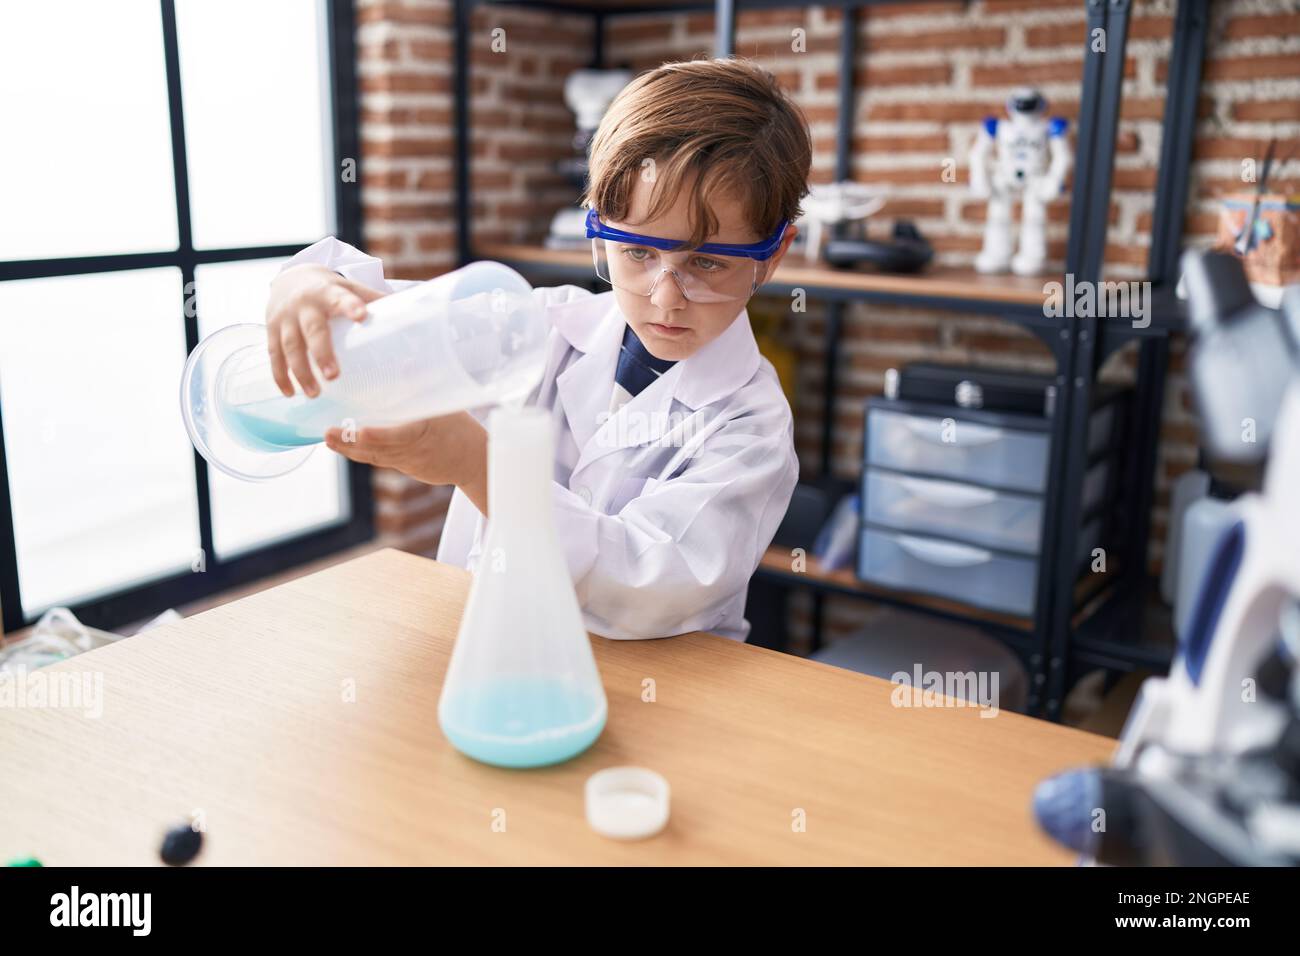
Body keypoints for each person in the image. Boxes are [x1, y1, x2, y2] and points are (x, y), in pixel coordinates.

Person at [265, 57, 810, 642]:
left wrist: (481, 465)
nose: (666, 299)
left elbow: (650, 583)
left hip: (659, 691)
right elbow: (382, 320)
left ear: (772, 257)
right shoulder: (540, 325)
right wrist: (305, 287)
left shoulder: (752, 425)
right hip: (489, 650)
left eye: (706, 263)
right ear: (599, 230)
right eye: (636, 253)